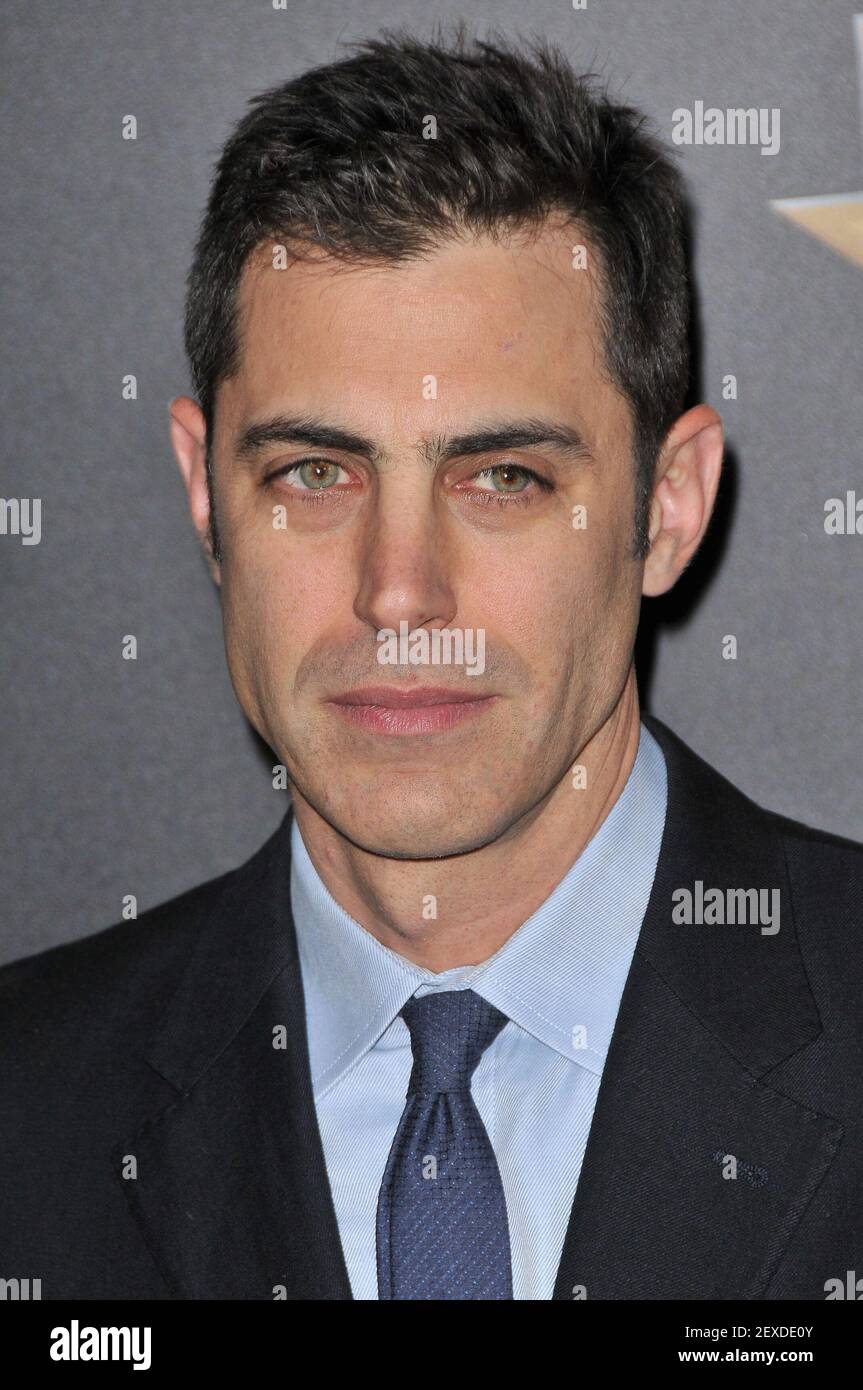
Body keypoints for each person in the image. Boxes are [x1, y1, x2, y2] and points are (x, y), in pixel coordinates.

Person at [2, 28, 861, 1302]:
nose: (399, 593)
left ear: (665, 508)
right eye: (314, 473)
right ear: (204, 495)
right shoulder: (27, 1112)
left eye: (503, 478)